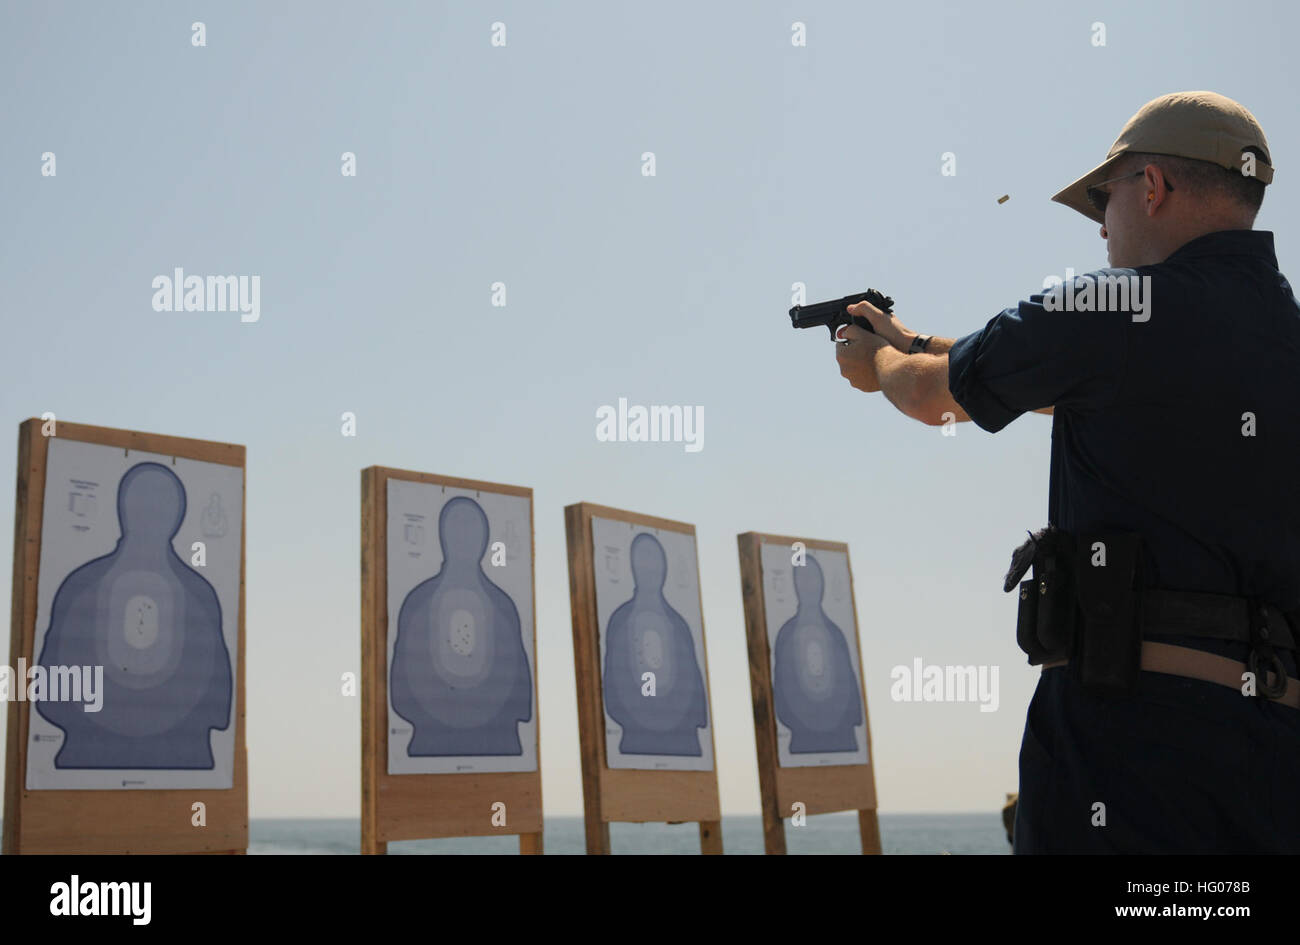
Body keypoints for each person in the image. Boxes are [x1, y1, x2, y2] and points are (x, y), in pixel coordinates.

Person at [835, 91, 1300, 853]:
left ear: (1151, 188)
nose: (1104, 232)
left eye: (1102, 202)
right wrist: (913, 335)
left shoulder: (1110, 305)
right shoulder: (1282, 337)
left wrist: (875, 359)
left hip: (1129, 749)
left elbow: (928, 397)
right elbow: (1073, 388)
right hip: (1275, 759)